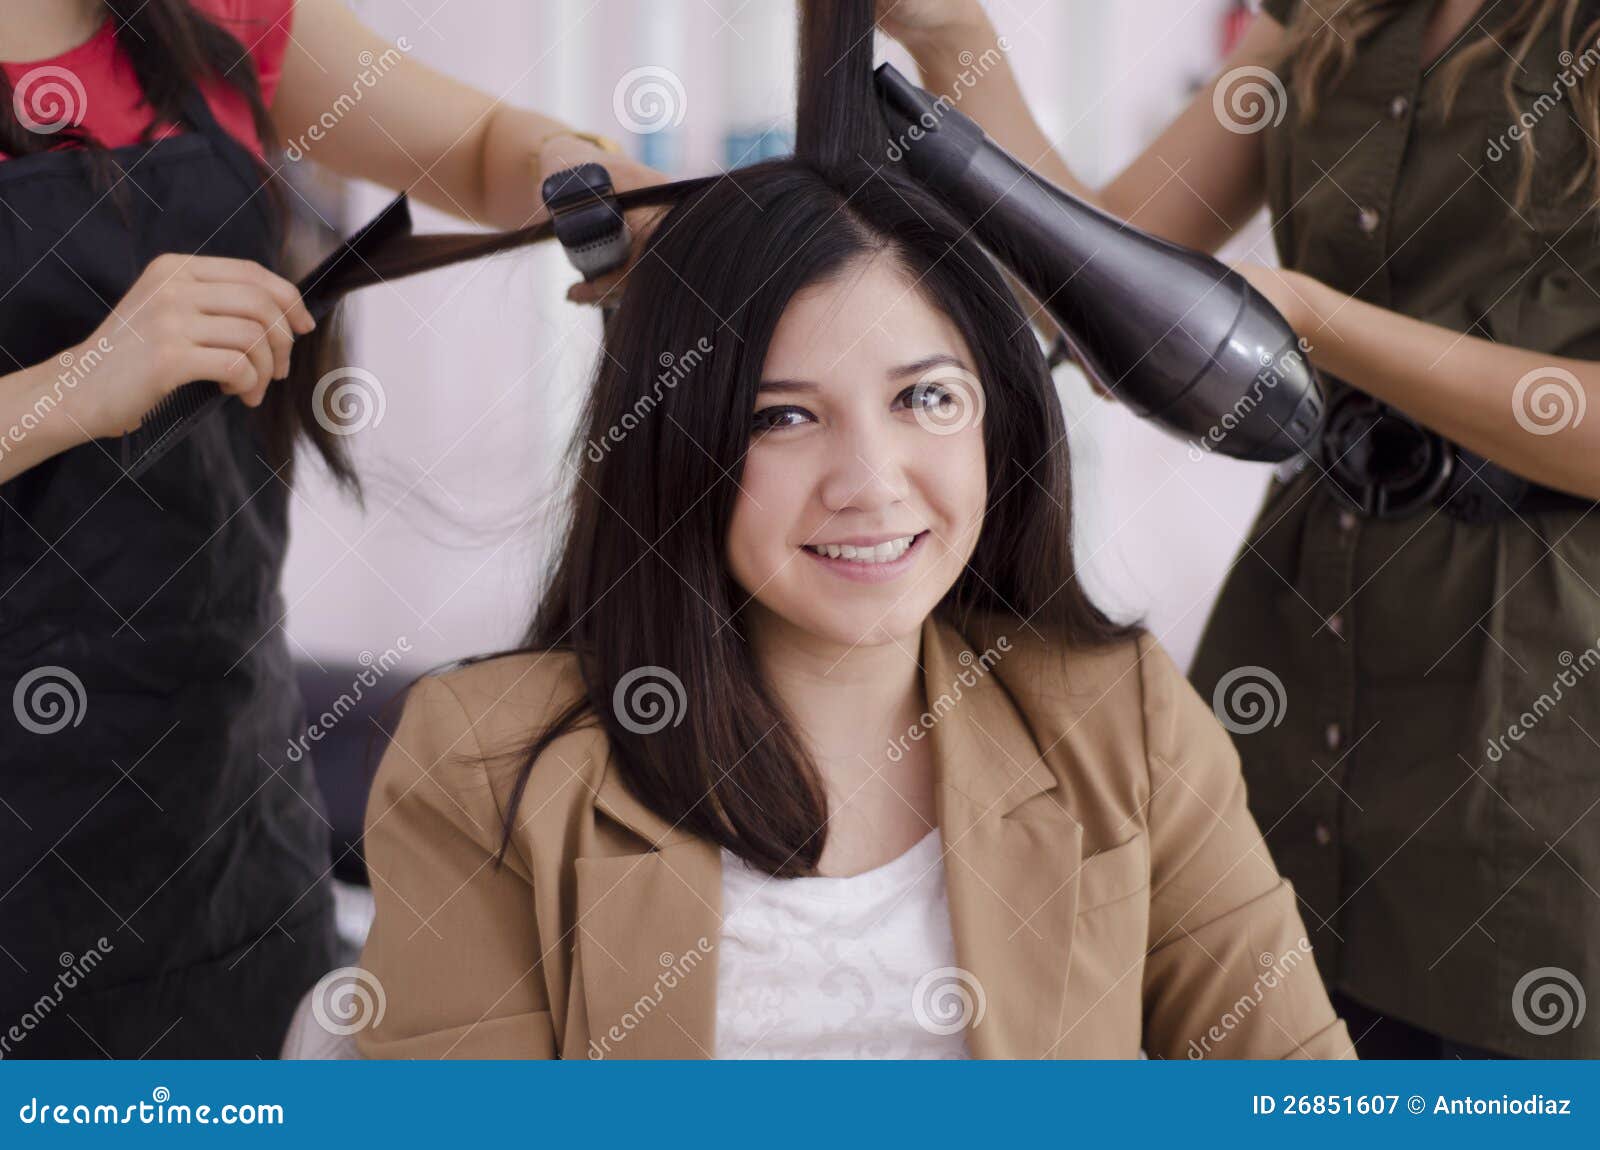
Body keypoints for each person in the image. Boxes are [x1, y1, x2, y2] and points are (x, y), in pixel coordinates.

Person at [352, 0, 1353, 1061]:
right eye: (782, 418)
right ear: (676, 446)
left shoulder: (1124, 724)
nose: (870, 484)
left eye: (926, 398)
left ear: (1000, 426)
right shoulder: (485, 764)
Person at [875, 0, 1600, 1059]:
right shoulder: (1324, 17)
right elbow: (1098, 266)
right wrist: (950, 40)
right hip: (1298, 653)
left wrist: (1308, 320)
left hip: (1542, 714)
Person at [0, 0, 660, 1058]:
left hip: (217, 800)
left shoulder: (211, 17)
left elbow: (479, 149)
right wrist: (74, 387)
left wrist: (570, 167)